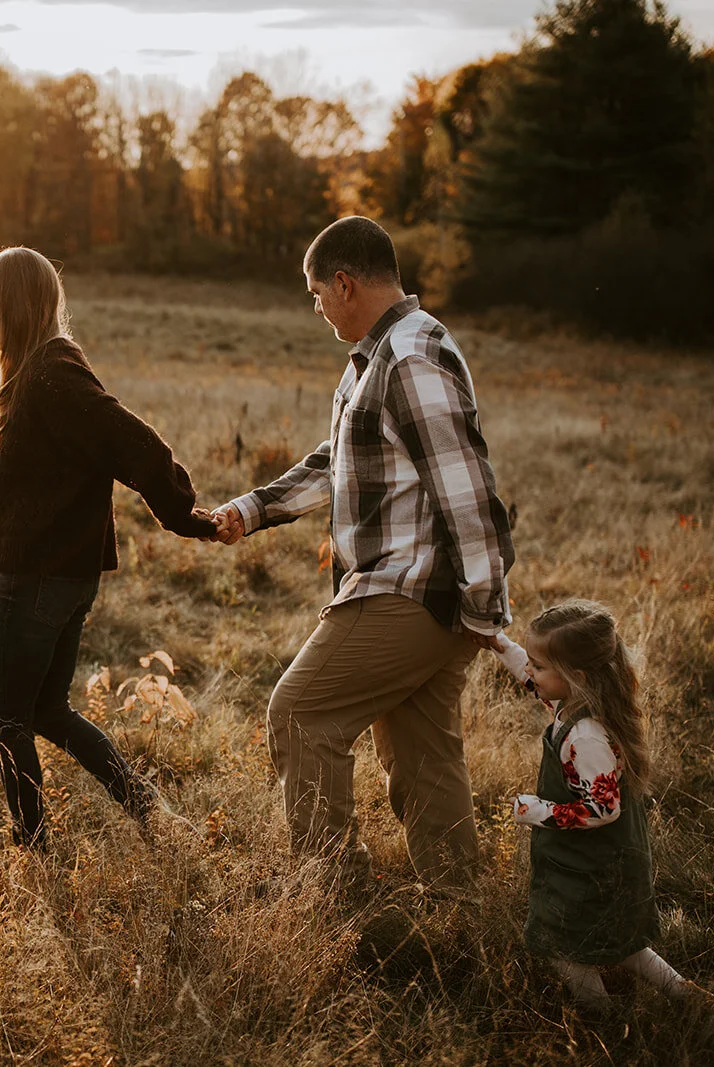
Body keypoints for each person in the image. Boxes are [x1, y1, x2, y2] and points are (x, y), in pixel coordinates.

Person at [0, 246, 217, 850]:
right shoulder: (37, 371)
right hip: (67, 579)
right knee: (48, 712)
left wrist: (184, 516)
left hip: (37, 582)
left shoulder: (53, 374)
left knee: (9, 718)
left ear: (22, 308)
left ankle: (33, 849)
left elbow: (134, 443)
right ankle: (150, 813)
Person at [210, 215, 514, 887]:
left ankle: (330, 892)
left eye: (317, 293)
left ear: (345, 284)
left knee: (301, 711)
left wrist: (485, 611)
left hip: (412, 590)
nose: (317, 308)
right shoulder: (379, 357)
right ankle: (460, 904)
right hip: (419, 591)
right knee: (423, 751)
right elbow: (340, 461)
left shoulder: (409, 357)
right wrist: (253, 508)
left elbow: (467, 492)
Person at [495, 600, 714, 1008]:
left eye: (539, 666)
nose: (530, 672)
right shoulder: (572, 703)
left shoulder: (586, 737)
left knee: (564, 946)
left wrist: (537, 810)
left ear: (575, 677)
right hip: (594, 858)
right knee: (622, 940)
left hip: (594, 863)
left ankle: (602, 1018)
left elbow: (602, 809)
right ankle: (683, 993)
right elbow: (534, 683)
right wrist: (499, 645)